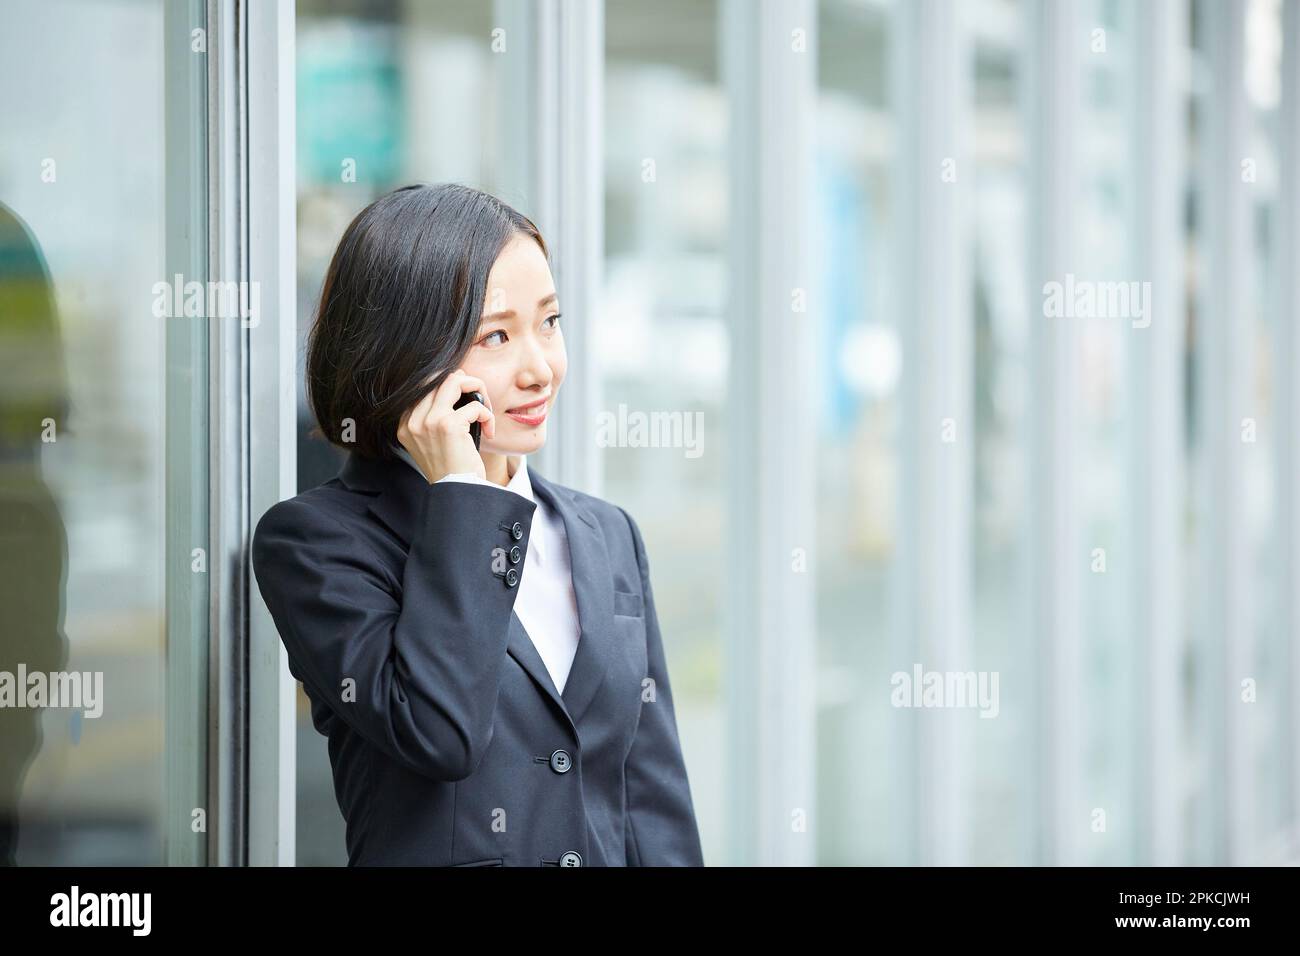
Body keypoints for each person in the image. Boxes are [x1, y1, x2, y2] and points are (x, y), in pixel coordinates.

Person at [251, 183, 703, 866]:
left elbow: (650, 800)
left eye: (549, 322)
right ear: (405, 356)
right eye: (496, 335)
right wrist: (460, 493)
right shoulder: (316, 544)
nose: (539, 368)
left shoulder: (606, 534)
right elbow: (440, 733)